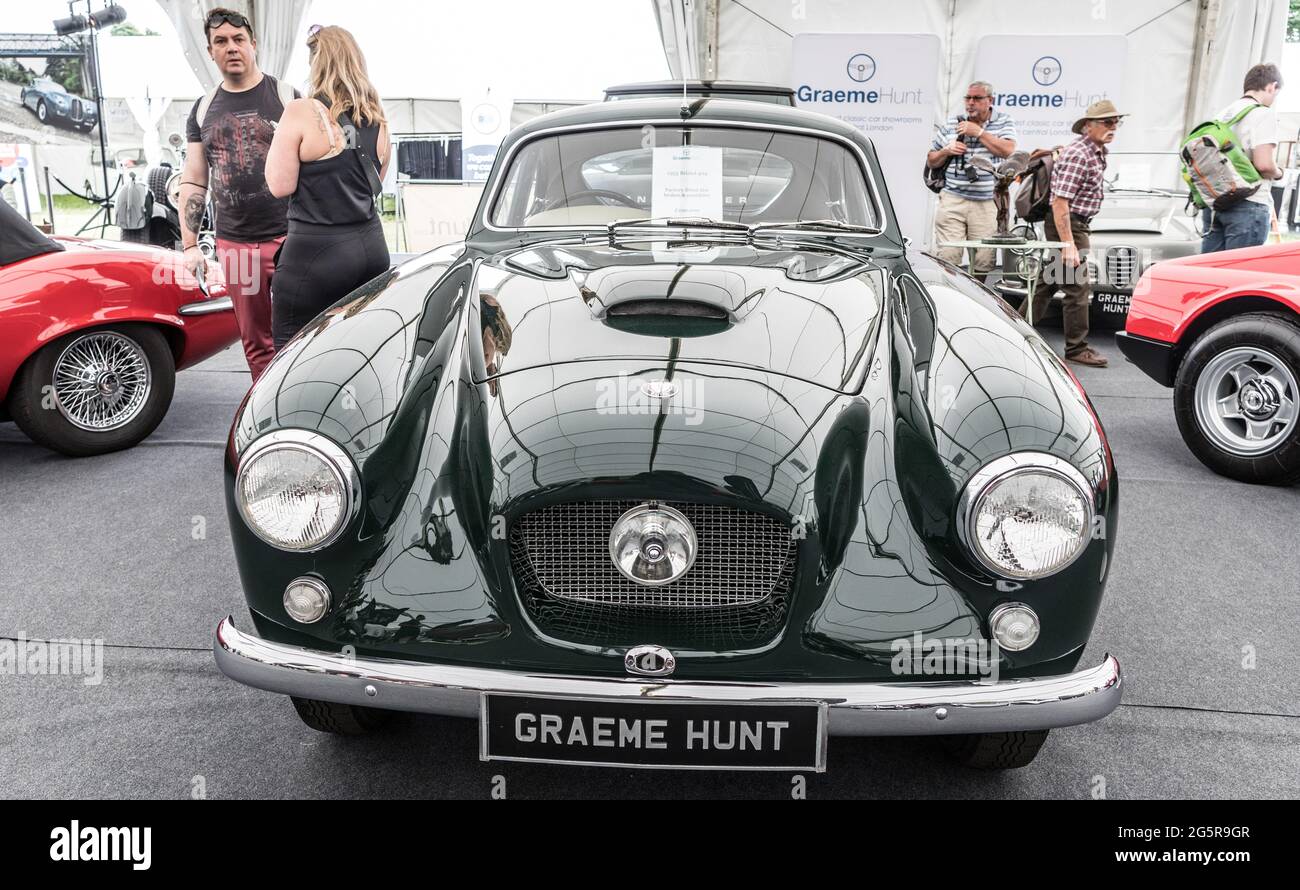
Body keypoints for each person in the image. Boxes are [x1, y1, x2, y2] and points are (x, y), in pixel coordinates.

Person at [179, 8, 298, 380]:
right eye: (221, 41)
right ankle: (265, 412)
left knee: (302, 331)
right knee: (256, 341)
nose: (231, 47)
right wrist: (188, 245)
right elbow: (194, 179)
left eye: (238, 39)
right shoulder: (202, 110)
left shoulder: (288, 97)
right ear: (210, 51)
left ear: (254, 45)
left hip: (291, 238)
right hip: (238, 247)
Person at [264, 25, 390, 350]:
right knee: (359, 353)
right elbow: (376, 184)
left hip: (316, 256)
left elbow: (279, 184)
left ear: (316, 64)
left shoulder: (301, 110)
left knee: (293, 357)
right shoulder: (378, 118)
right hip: (372, 249)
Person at [1021, 99, 1126, 369]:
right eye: (1107, 122)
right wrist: (1068, 244)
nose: (1113, 126)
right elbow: (1060, 202)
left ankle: (1015, 330)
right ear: (1088, 126)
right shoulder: (1080, 153)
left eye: (1116, 122)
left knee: (1049, 281)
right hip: (1069, 225)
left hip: (1073, 224)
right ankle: (1076, 348)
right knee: (1078, 287)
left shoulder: (1093, 151)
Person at [926, 81, 1018, 275]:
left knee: (984, 260)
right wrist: (946, 151)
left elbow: (1008, 150)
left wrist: (979, 132)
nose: (971, 103)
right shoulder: (952, 123)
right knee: (948, 255)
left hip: (987, 202)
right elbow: (932, 160)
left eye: (977, 98)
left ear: (990, 100)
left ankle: (977, 299)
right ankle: (949, 299)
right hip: (953, 198)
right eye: (968, 98)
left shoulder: (1003, 121)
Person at [1201, 63, 1285, 253]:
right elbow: (1264, 165)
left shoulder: (1222, 115)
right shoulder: (1263, 113)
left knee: (1210, 275)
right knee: (1240, 276)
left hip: (1216, 203)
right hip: (1249, 204)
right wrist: (1279, 173)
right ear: (1272, 86)